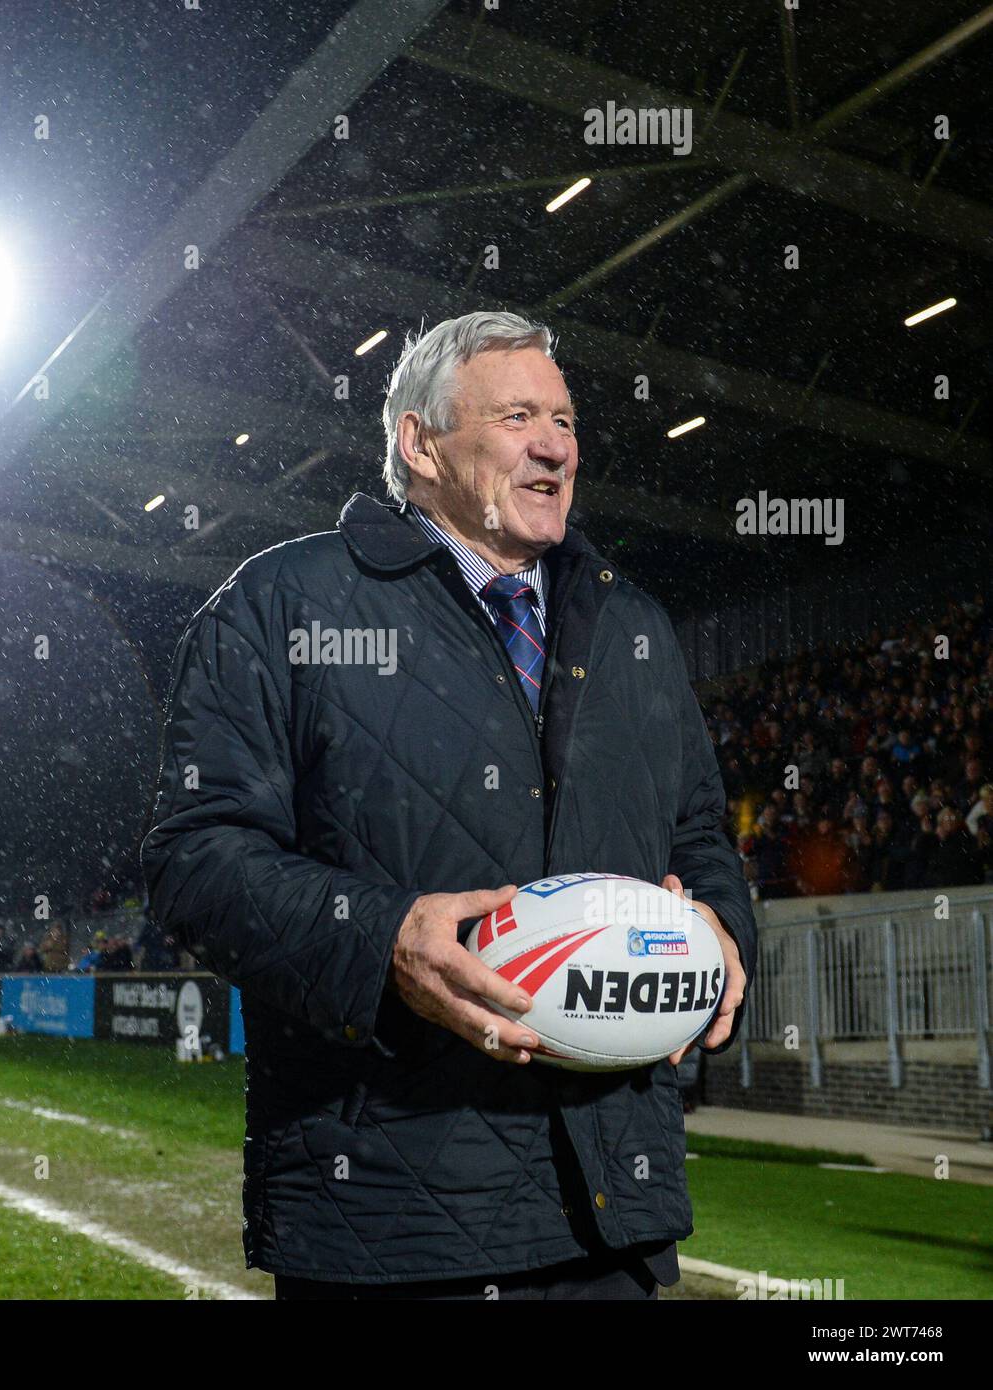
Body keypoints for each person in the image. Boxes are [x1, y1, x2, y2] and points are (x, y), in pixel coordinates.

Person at [142, 311, 754, 1301]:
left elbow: (698, 838)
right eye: (518, 416)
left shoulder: (631, 621)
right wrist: (378, 936)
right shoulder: (280, 605)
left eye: (563, 417)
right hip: (393, 1230)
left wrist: (727, 932)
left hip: (616, 1223)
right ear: (417, 443)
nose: (557, 443)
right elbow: (193, 858)